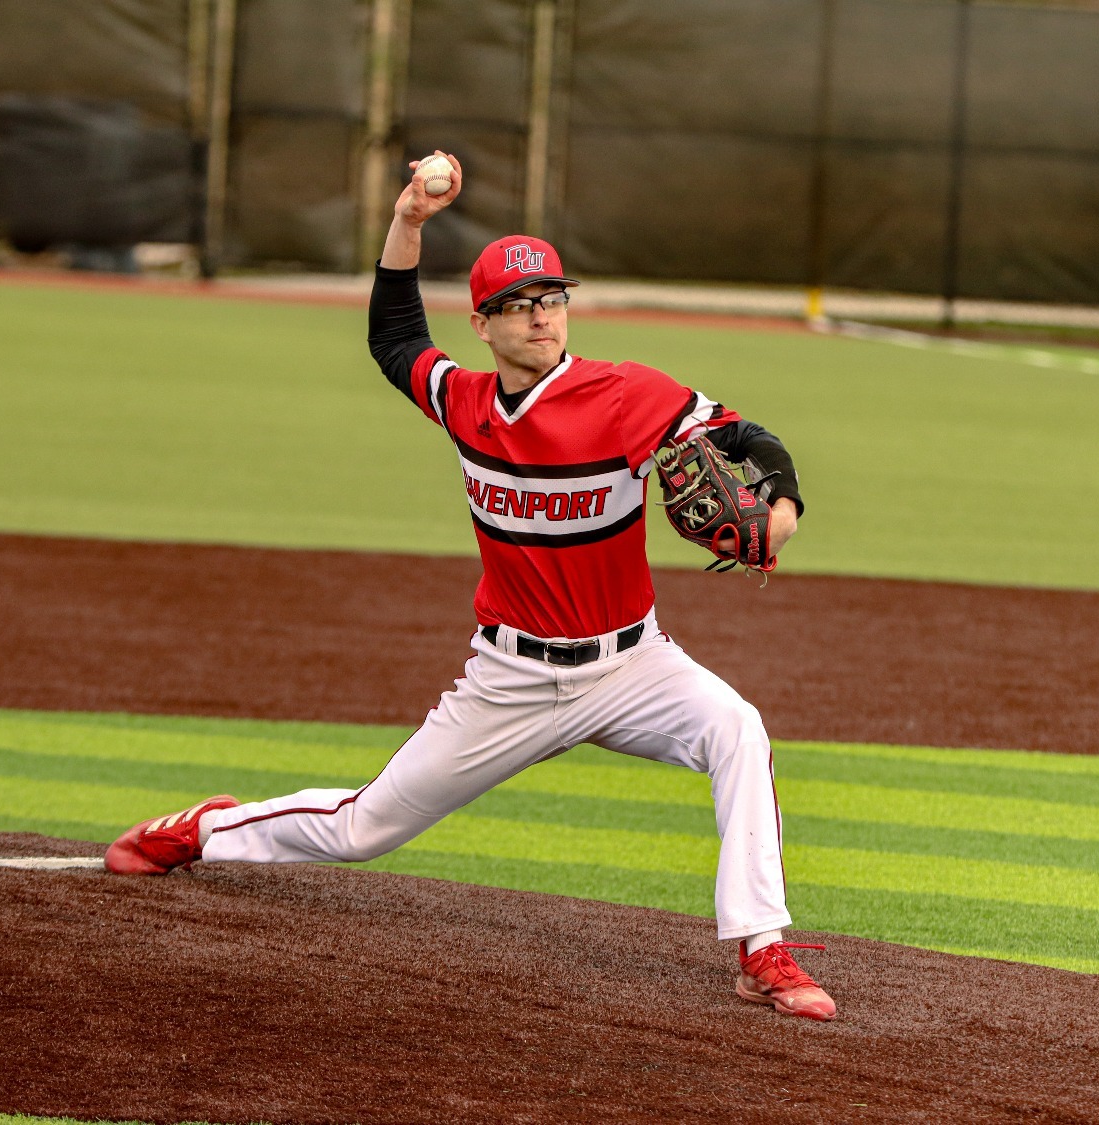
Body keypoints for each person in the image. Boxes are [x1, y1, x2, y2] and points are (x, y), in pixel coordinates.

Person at [105, 152, 834, 1020]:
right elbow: (393, 340)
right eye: (519, 307)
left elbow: (746, 433)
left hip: (633, 666)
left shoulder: (630, 395)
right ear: (483, 325)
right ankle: (203, 829)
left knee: (738, 730)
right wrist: (409, 220)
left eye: (552, 300)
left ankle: (762, 949)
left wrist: (781, 503)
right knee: (363, 828)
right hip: (511, 679)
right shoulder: (466, 402)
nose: (541, 319)